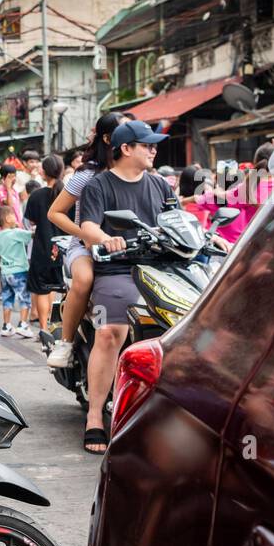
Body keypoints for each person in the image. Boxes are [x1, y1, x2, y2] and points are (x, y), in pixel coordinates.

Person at [75, 119, 173, 455]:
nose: (153, 150)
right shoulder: (99, 184)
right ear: (125, 149)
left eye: (154, 144)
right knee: (110, 331)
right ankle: (95, 416)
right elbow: (87, 224)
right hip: (117, 270)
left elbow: (176, 220)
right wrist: (106, 238)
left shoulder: (161, 185)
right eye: (146, 144)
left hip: (162, 270)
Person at [44, 110, 127, 369]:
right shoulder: (86, 176)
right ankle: (66, 343)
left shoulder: (136, 173)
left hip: (128, 250)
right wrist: (85, 234)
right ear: (107, 138)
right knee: (84, 280)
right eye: (125, 132)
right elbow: (54, 213)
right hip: (83, 247)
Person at [24, 154, 64, 334]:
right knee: (54, 289)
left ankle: (43, 328)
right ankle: (53, 324)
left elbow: (30, 222)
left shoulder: (37, 195)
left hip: (41, 247)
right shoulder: (67, 194)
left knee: (41, 290)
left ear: (44, 172)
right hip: (63, 247)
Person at [0, 205, 34, 338]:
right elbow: (31, 235)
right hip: (19, 271)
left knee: (7, 298)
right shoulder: (16, 233)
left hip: (5, 272)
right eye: (13, 215)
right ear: (8, 218)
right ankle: (22, 324)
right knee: (24, 298)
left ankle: (6, 325)